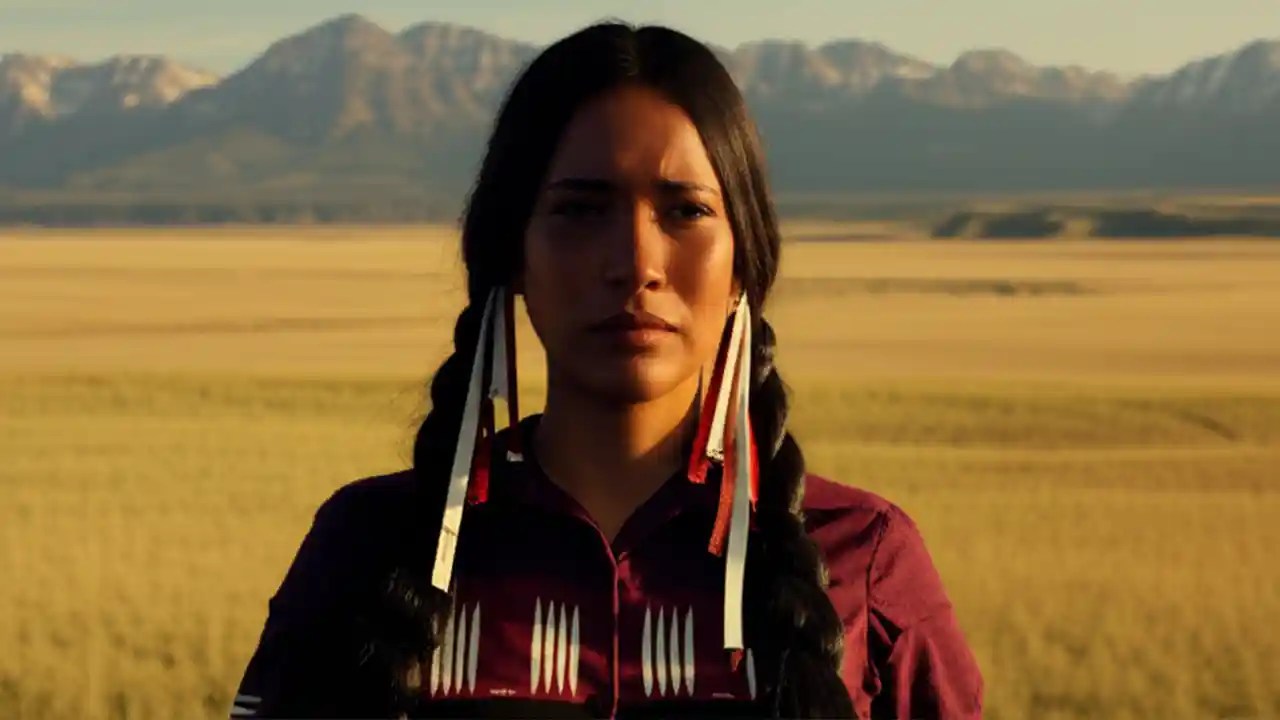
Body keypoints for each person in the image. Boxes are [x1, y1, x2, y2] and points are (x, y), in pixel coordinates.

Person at [230, 22, 983, 720]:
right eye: (581, 211)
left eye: (685, 211)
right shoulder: (368, 548)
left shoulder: (864, 557)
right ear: (510, 256)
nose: (635, 264)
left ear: (743, 263)